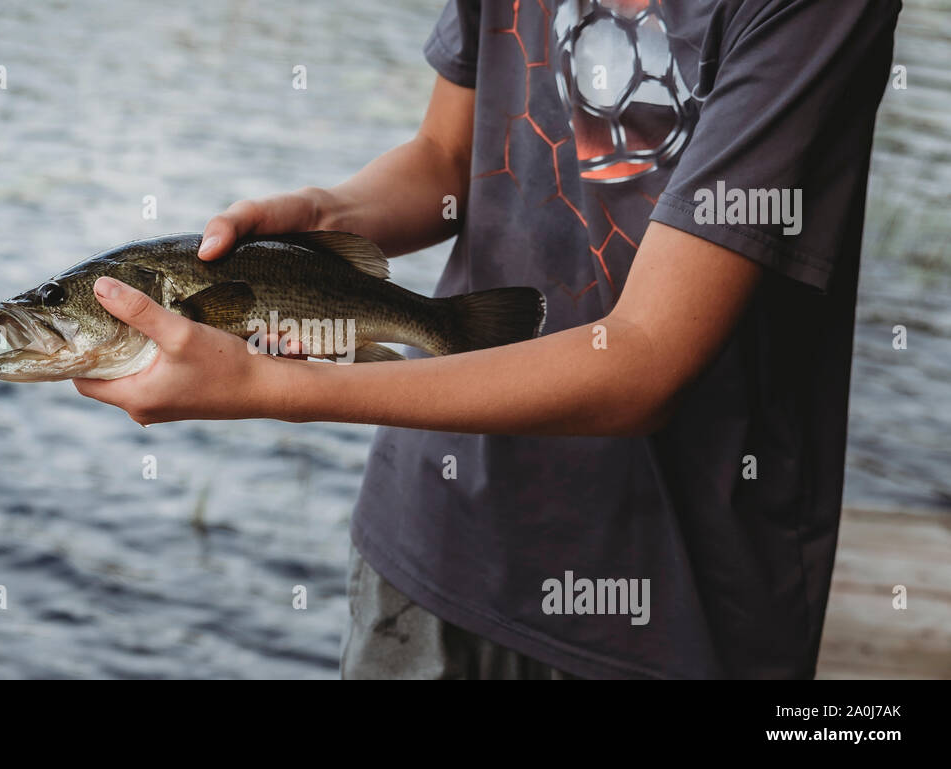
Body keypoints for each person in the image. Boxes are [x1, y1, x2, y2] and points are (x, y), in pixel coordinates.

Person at [73, 0, 901, 678]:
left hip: (673, 602)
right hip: (432, 547)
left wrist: (265, 391)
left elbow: (645, 359)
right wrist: (328, 215)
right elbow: (446, 154)